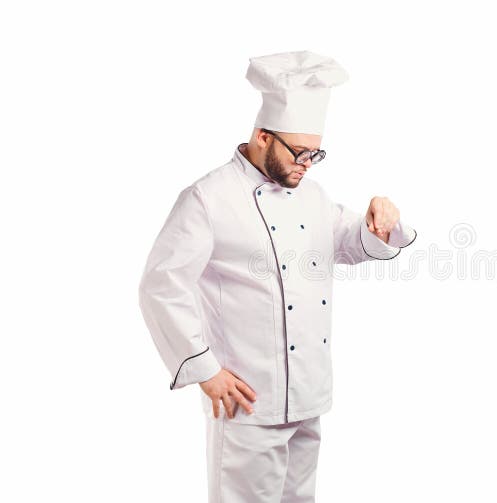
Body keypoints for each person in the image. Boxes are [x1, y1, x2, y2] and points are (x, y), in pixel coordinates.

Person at [137, 50, 417, 503]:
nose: (307, 163)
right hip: (248, 404)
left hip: (309, 396)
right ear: (263, 135)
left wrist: (379, 222)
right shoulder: (208, 198)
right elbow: (161, 284)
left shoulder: (313, 196)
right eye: (299, 151)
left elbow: (353, 242)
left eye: (315, 153)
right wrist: (205, 369)